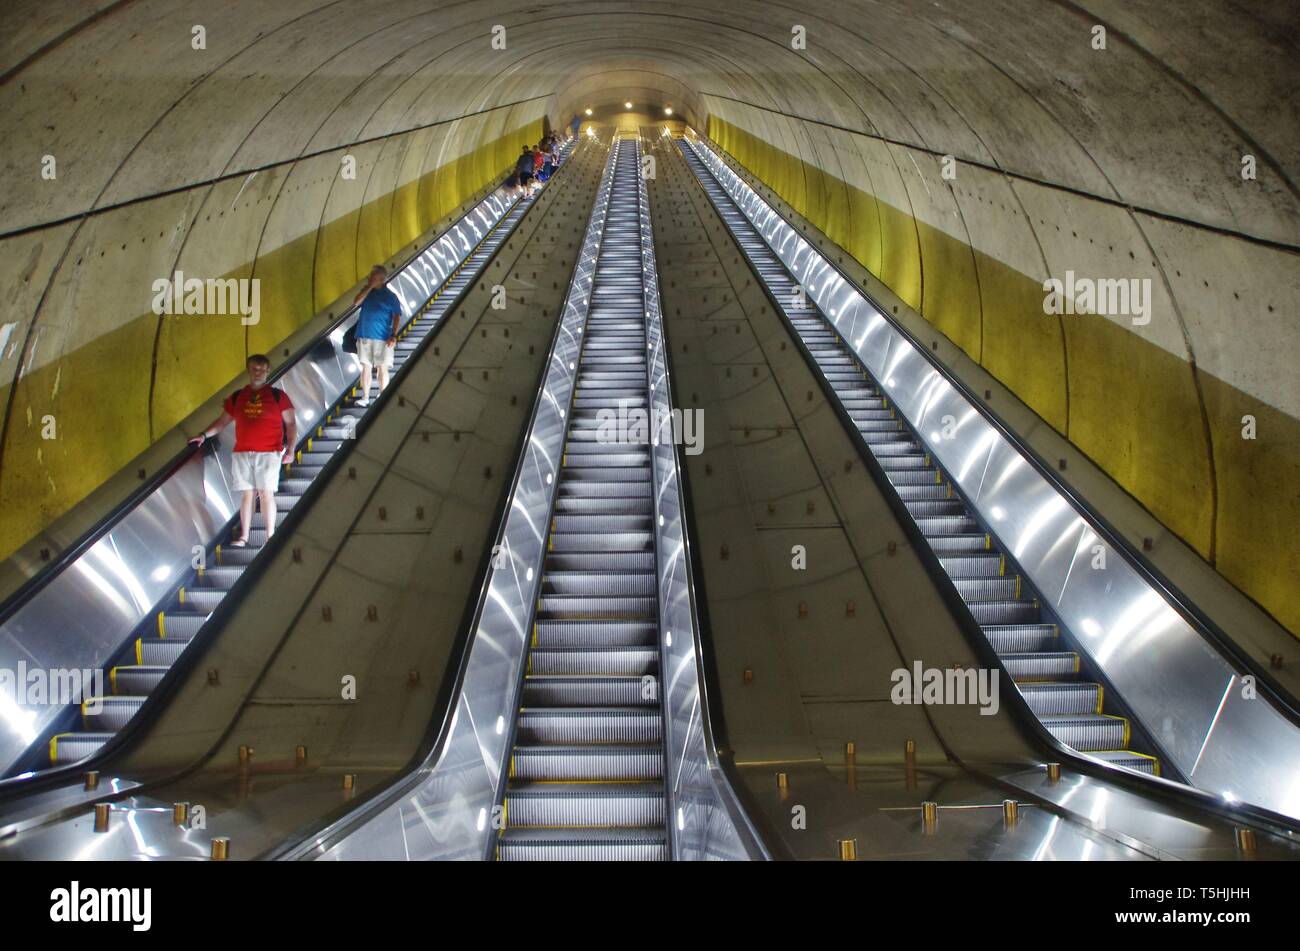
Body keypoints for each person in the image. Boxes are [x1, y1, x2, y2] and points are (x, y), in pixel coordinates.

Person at [189, 354, 297, 547]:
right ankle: (244, 536)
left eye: (263, 370)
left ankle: (270, 535)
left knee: (265, 494)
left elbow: (291, 424)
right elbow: (223, 422)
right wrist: (204, 435)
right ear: (249, 370)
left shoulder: (278, 396)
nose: (259, 373)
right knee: (247, 494)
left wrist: (291, 448)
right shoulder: (237, 397)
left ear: (268, 372)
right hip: (242, 452)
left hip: (269, 452)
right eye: (255, 369)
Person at [351, 264, 402, 406]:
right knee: (365, 366)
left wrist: (394, 335)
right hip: (364, 334)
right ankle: (365, 397)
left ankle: (382, 395)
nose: (370, 278)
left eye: (373, 276)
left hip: (383, 337)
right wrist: (369, 287)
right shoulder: (367, 292)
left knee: (382, 366)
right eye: (370, 276)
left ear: (381, 279)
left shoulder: (391, 297)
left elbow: (397, 315)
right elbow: (356, 302)